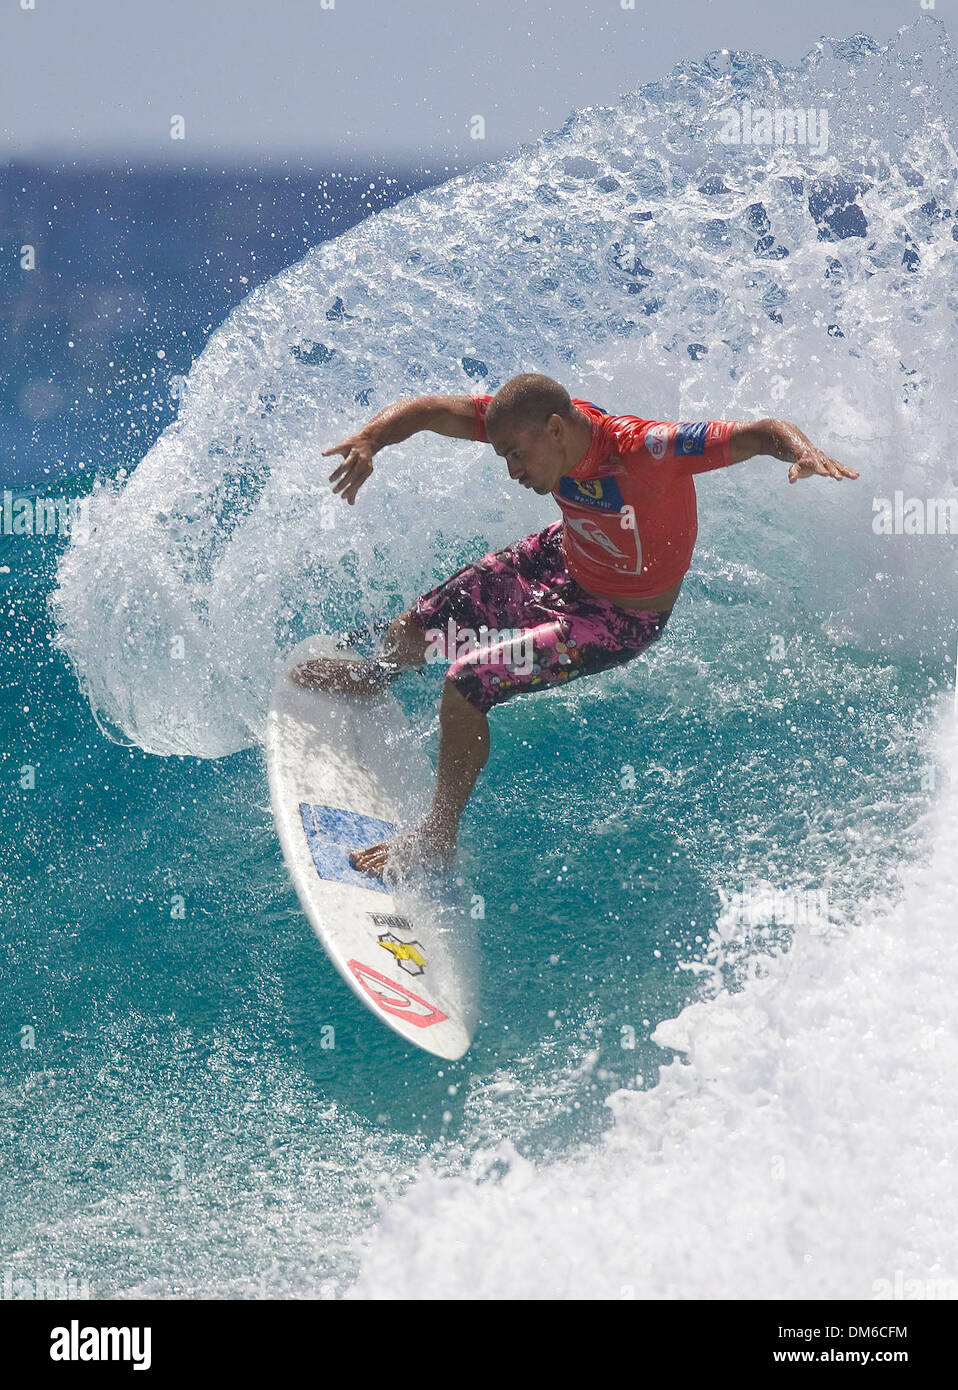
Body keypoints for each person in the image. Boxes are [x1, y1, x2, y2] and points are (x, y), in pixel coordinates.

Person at [292, 373, 858, 877]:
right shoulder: (527, 418)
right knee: (411, 630)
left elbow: (760, 432)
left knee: (466, 683)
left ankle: (437, 838)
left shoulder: (646, 447)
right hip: (562, 557)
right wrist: (370, 439)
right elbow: (433, 411)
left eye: (516, 454)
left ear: (556, 429)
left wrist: (802, 452)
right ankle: (378, 674)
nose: (512, 470)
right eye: (503, 456)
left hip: (619, 617)